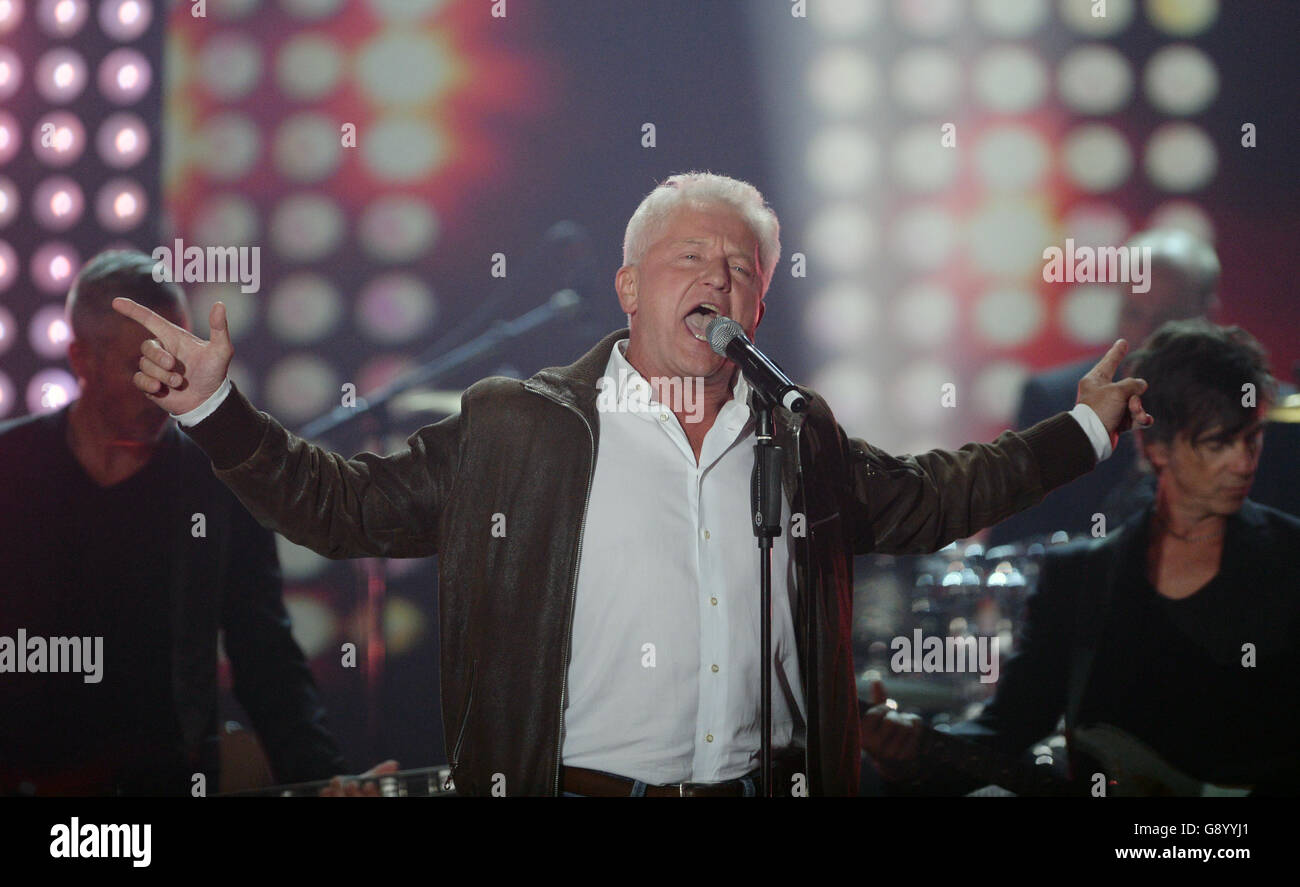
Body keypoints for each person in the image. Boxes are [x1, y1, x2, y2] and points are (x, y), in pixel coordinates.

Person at [112, 172, 1153, 796]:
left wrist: (1080, 430)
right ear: (628, 285)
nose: (715, 279)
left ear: (763, 297)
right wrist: (216, 412)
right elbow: (340, 508)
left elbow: (937, 496)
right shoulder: (521, 424)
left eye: (740, 266)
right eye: (687, 257)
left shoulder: (795, 431)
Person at [863, 319, 1300, 795]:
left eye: (1251, 438)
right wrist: (912, 757)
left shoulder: (1290, 559)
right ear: (1155, 447)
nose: (1244, 462)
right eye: (1218, 443)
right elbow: (1004, 733)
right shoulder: (1082, 577)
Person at [0, 251, 351, 796]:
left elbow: (265, 653)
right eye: (141, 364)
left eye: (177, 360)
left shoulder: (216, 479)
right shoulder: (11, 465)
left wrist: (324, 779)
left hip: (168, 779)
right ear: (80, 359)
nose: (167, 383)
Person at [988, 229, 1221, 546]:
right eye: (1134, 314)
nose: (1148, 335)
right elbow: (1014, 540)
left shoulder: (1260, 409)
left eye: (1168, 318)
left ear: (1208, 314)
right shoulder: (1054, 400)